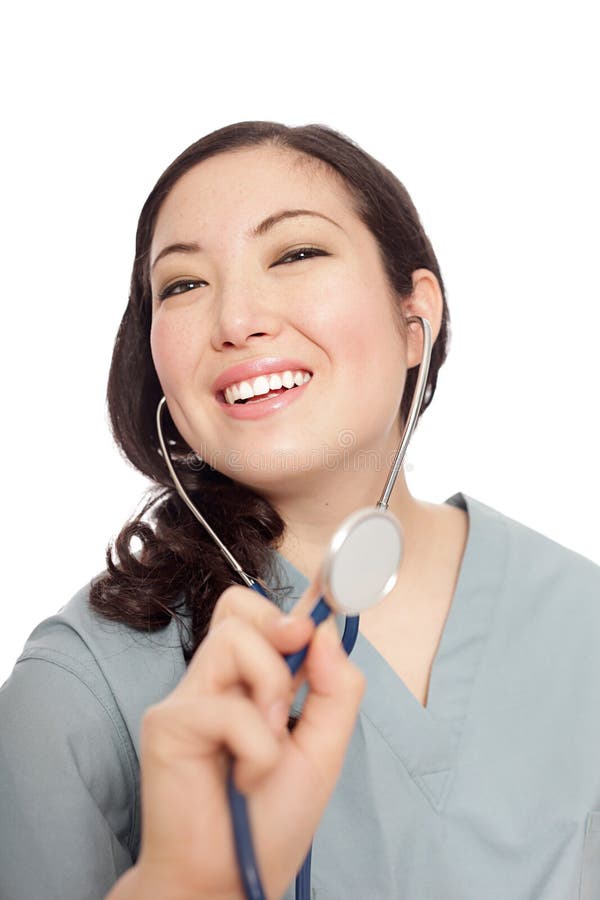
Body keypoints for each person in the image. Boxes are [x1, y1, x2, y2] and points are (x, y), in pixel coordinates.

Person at [1, 121, 599, 900]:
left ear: (414, 318)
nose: (235, 321)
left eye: (296, 254)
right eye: (183, 285)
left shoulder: (581, 617)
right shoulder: (77, 692)